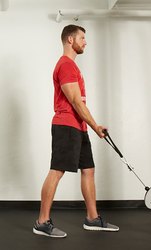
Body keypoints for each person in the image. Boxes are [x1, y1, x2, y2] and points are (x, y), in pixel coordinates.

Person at [33, 24, 119, 238]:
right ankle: (42, 222)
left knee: (88, 169)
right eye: (82, 38)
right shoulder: (65, 65)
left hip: (78, 126)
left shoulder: (72, 66)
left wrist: (87, 126)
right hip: (66, 125)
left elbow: (78, 104)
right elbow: (75, 102)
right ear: (70, 40)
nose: (85, 42)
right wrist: (95, 126)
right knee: (57, 171)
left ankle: (92, 218)